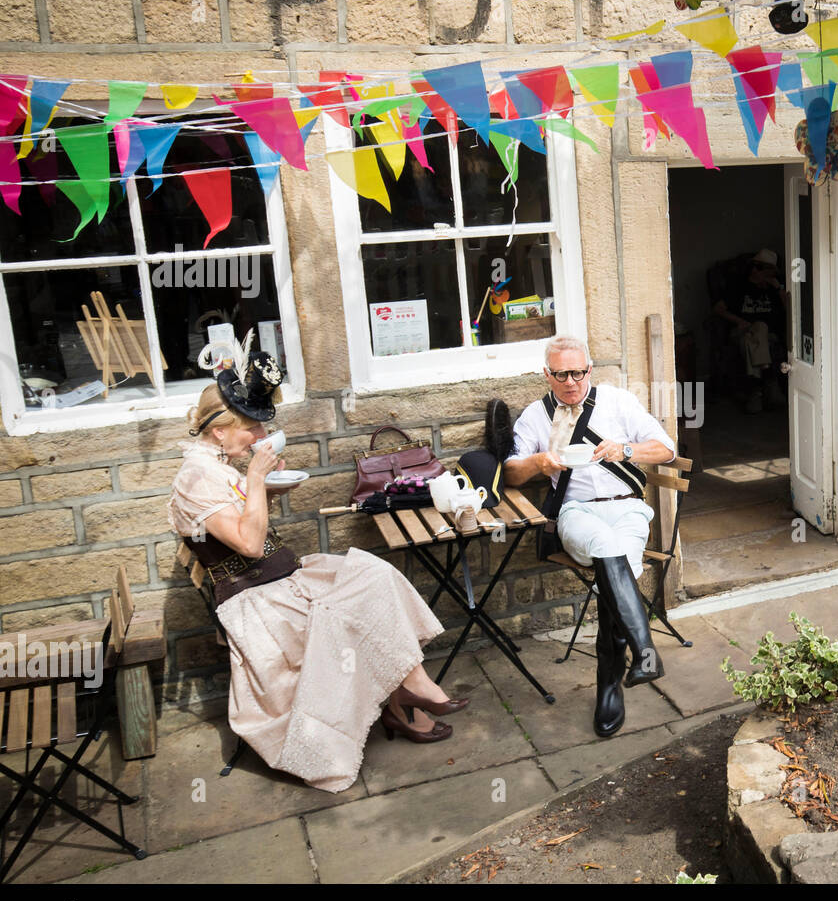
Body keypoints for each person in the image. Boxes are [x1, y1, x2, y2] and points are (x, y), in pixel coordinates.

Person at [168, 337, 468, 793]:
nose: (261, 439)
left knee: (374, 573)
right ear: (219, 432)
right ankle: (405, 696)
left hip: (279, 577)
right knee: (348, 609)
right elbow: (249, 544)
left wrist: (265, 484)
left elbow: (244, 515)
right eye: (252, 429)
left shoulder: (218, 465)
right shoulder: (196, 475)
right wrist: (255, 476)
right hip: (255, 598)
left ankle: (409, 685)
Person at [503, 335, 675, 739]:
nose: (571, 381)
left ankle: (610, 684)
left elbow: (665, 448)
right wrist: (536, 461)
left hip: (628, 508)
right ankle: (642, 655)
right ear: (547, 374)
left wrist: (627, 451)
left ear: (589, 370)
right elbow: (509, 473)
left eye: (578, 372)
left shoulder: (618, 402)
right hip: (576, 513)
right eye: (561, 374)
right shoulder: (535, 416)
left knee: (613, 563)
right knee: (610, 552)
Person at [713, 248, 788, 413]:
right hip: (742, 329)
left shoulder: (774, 289)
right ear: (755, 269)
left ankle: (756, 392)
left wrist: (778, 288)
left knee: (754, 336)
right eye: (766, 270)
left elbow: (790, 310)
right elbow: (718, 309)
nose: (769, 275)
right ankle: (770, 380)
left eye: (772, 271)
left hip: (764, 335)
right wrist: (740, 322)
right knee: (756, 329)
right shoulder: (739, 286)